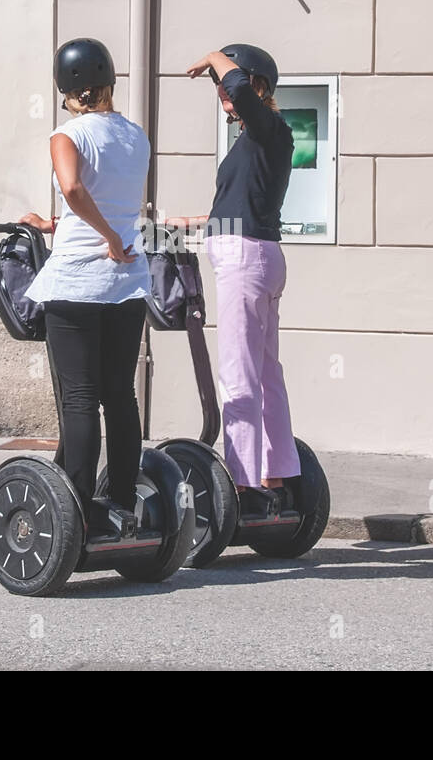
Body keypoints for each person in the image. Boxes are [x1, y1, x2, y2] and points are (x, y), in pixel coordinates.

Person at [19, 37, 151, 532]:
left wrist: (106, 235)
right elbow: (109, 196)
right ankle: (120, 502)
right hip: (126, 282)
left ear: (68, 90)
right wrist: (62, 226)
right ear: (109, 82)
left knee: (78, 398)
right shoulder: (136, 136)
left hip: (77, 279)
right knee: (120, 395)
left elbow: (74, 188)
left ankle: (73, 508)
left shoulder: (67, 134)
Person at [168, 44, 300, 515]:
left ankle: (244, 488)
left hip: (246, 261)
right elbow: (243, 208)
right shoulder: (257, 141)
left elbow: (240, 88)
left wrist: (214, 56)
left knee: (239, 375)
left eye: (230, 84)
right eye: (218, 87)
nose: (224, 92)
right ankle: (276, 475)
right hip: (252, 252)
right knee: (265, 372)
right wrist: (189, 222)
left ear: (258, 86)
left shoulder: (267, 128)